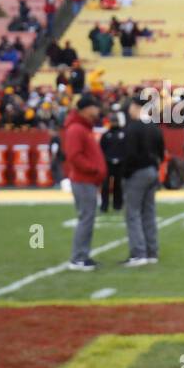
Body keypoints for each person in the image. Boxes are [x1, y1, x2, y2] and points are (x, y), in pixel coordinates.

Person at [63, 94, 107, 271]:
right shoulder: (76, 129)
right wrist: (93, 169)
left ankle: (83, 255)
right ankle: (78, 258)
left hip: (88, 180)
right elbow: (74, 156)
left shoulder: (84, 128)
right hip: (83, 180)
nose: (97, 110)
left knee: (88, 218)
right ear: (86, 109)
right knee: (86, 218)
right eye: (94, 106)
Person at [120, 96, 164, 266]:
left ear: (136, 107)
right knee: (149, 213)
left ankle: (138, 253)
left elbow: (130, 154)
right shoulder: (154, 127)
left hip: (137, 173)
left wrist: (125, 172)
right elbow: (161, 151)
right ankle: (151, 251)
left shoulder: (133, 127)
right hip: (152, 170)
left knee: (133, 213)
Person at [98, 106, 127, 212]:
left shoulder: (123, 134)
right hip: (108, 163)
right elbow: (101, 149)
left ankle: (117, 205)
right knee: (105, 186)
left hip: (120, 163)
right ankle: (104, 206)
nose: (114, 123)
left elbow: (126, 148)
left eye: (116, 121)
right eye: (113, 121)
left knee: (118, 185)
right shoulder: (106, 135)